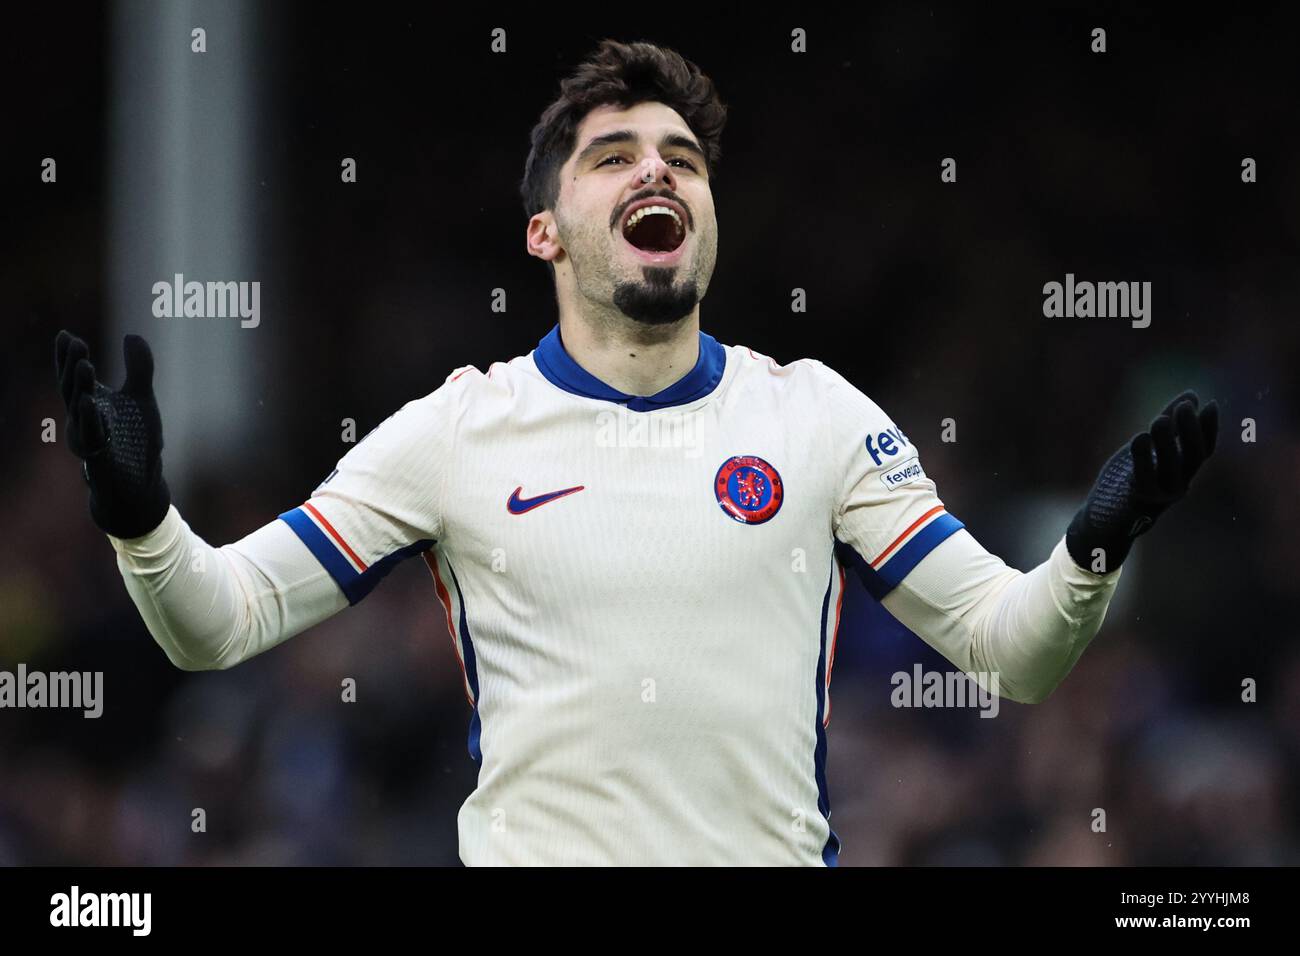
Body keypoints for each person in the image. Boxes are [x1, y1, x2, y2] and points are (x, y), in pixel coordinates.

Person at [53, 39, 1217, 866]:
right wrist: (142, 521)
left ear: (707, 220)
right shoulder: (454, 432)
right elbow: (216, 622)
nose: (658, 169)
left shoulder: (813, 416)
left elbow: (1010, 652)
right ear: (544, 230)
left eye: (684, 159)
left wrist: (1089, 549)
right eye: (613, 154)